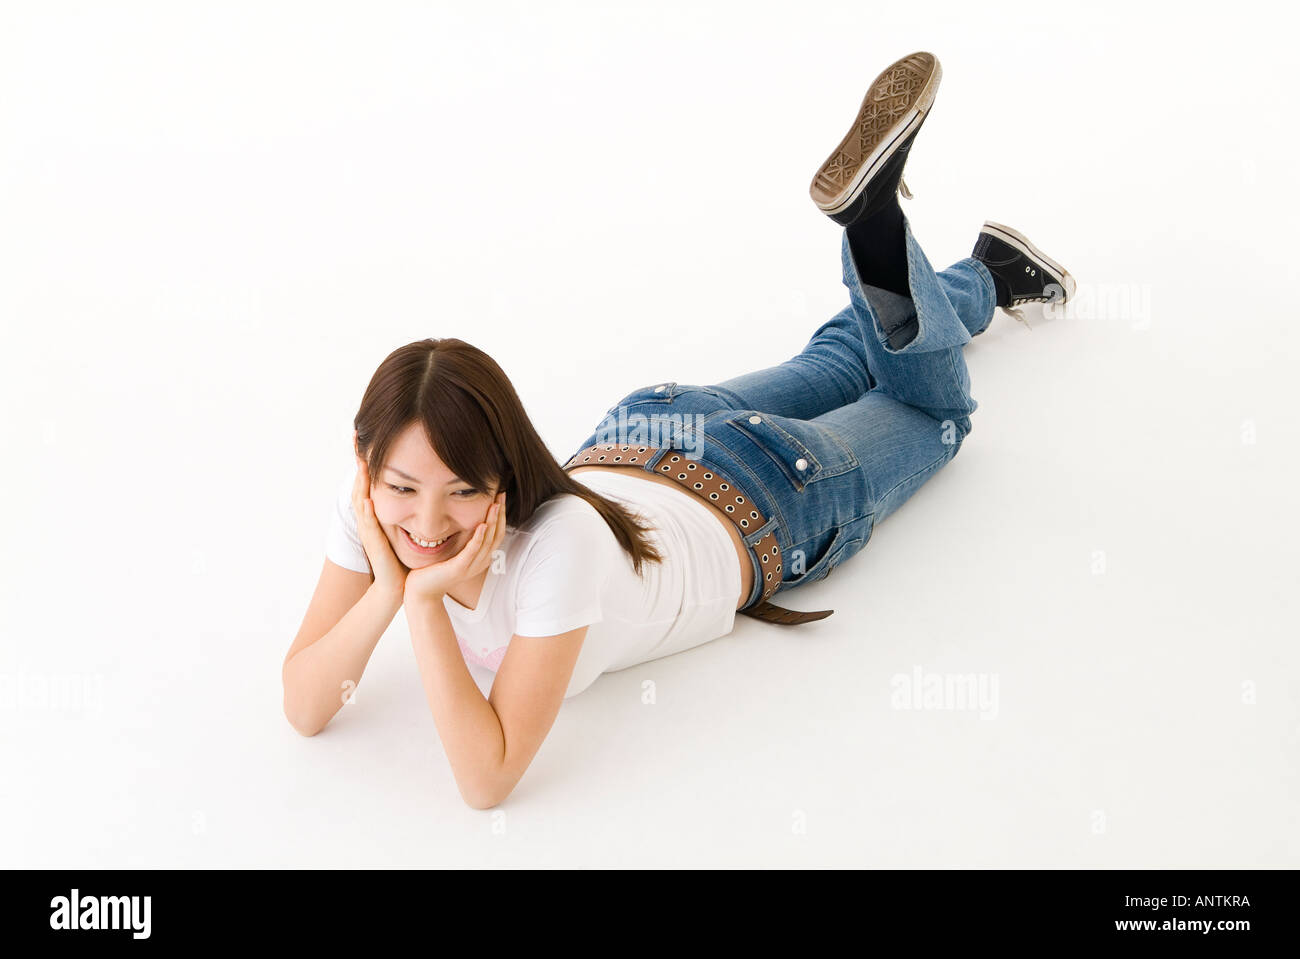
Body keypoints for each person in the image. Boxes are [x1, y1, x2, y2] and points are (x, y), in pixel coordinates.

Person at [281, 51, 1075, 808]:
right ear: (365, 464)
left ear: (506, 474)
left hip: (761, 492)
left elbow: (485, 778)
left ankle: (880, 232)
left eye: (461, 490)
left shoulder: (559, 544)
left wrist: (420, 608)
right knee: (839, 357)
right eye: (401, 488)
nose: (424, 523)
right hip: (647, 429)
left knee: (930, 413)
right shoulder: (372, 513)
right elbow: (305, 704)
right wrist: (392, 586)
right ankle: (982, 269)